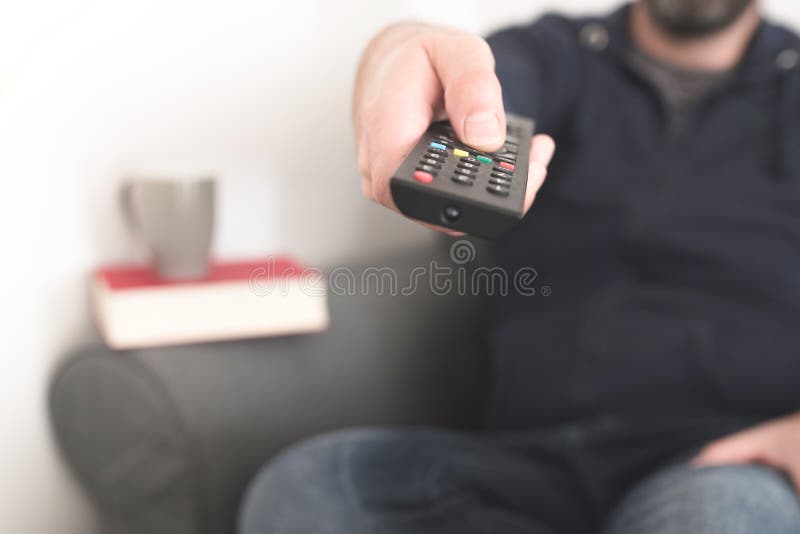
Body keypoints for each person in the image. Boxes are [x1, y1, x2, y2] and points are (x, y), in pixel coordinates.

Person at [240, 1, 800, 532]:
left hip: (718, 459)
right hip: (528, 461)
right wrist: (397, 49)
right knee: (309, 488)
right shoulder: (556, 53)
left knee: (718, 519)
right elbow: (463, 82)